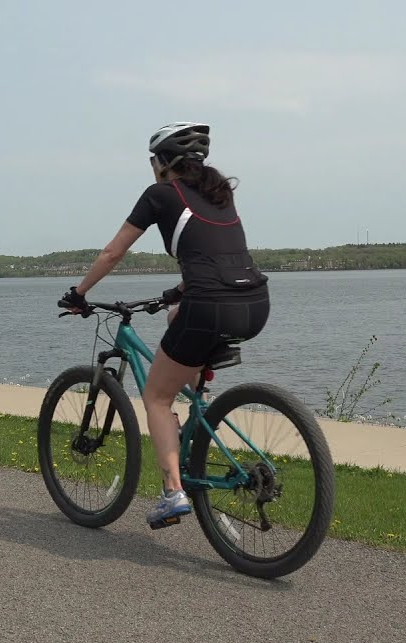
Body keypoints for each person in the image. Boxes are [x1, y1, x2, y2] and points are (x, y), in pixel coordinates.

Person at [59, 122, 270, 528]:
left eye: (152, 161)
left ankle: (173, 492)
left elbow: (112, 252)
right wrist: (178, 291)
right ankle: (196, 407)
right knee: (178, 319)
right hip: (255, 304)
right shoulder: (219, 195)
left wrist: (79, 293)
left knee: (156, 396)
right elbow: (218, 255)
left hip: (209, 305)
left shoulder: (160, 195)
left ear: (161, 163)